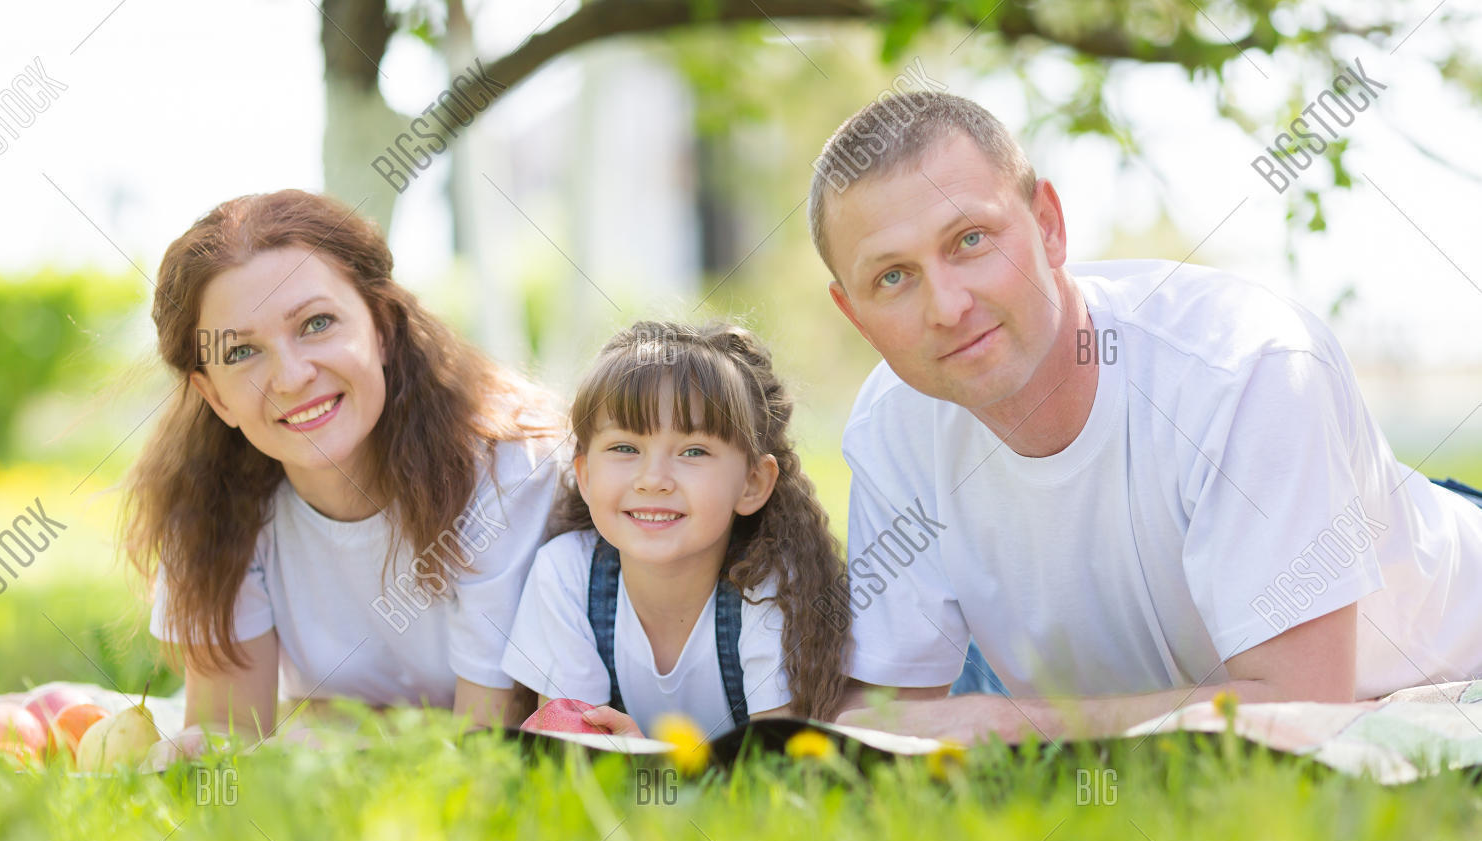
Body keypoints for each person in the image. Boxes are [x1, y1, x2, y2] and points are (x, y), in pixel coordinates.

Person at [807, 92, 1482, 743]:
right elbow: (888, 717)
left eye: (971, 239)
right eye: (892, 277)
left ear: (1049, 226)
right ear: (853, 315)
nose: (947, 307)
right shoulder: (891, 423)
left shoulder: (1245, 364)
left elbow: (1301, 710)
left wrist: (1015, 725)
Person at [122, 189, 563, 755]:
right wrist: (315, 733)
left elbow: (490, 748)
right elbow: (228, 741)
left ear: (382, 327)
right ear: (215, 397)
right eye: (240, 353)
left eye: (317, 323)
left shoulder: (506, 470)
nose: (291, 377)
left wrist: (328, 727)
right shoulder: (207, 506)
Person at [502, 321, 850, 739]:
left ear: (752, 483)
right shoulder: (567, 574)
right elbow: (571, 756)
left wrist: (650, 760)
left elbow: (773, 764)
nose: (653, 479)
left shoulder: (769, 589)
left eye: (693, 451)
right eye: (625, 448)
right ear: (587, 475)